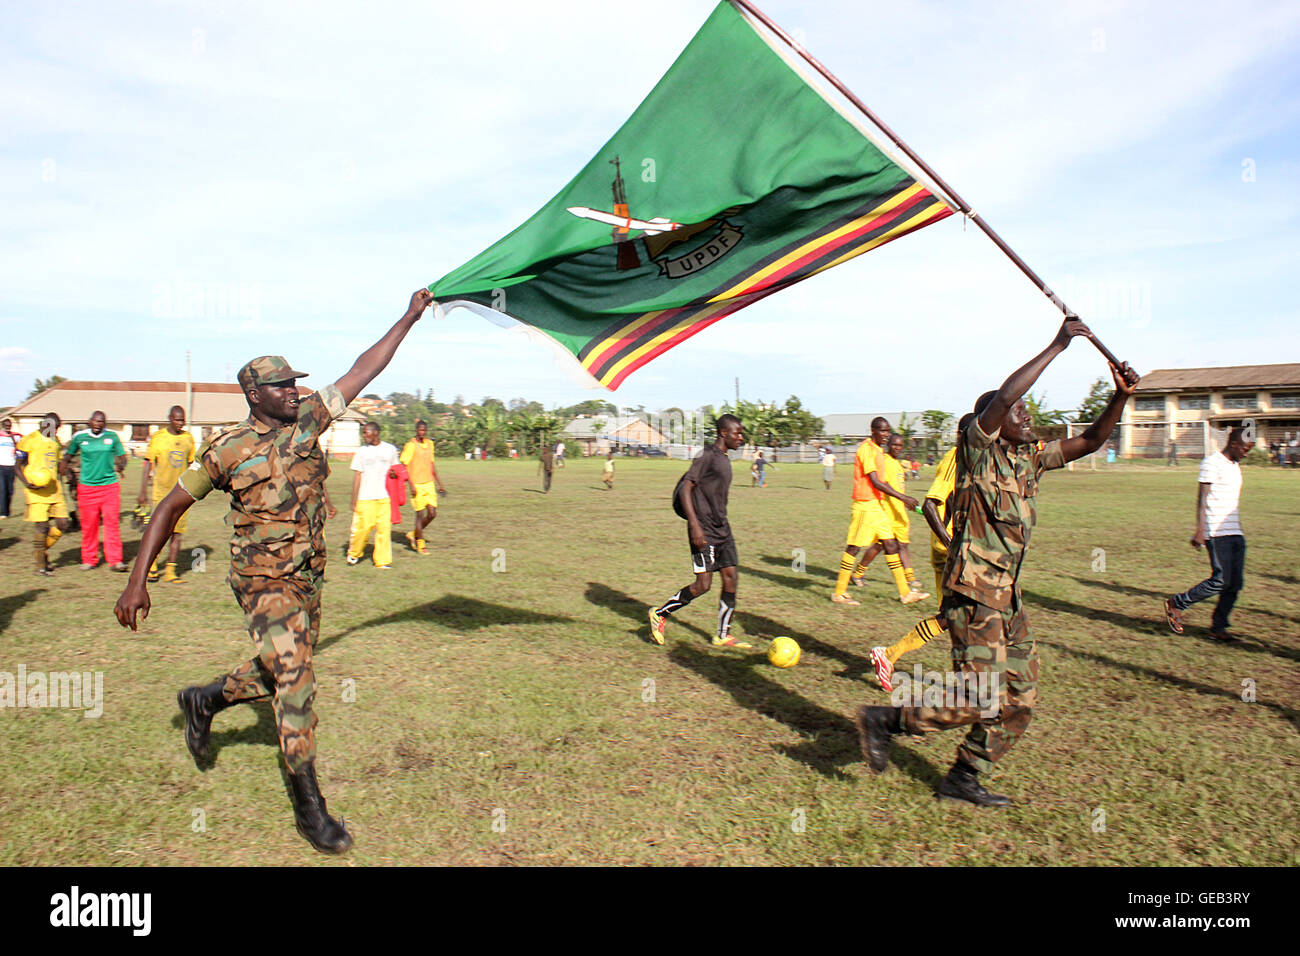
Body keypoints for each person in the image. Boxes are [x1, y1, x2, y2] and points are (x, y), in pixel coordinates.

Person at [114, 289, 434, 854]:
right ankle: (310, 809)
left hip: (307, 576)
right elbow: (168, 507)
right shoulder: (226, 450)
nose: (295, 390)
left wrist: (408, 317)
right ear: (255, 394)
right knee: (296, 679)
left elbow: (365, 367)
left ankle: (206, 699)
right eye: (283, 384)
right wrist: (137, 581)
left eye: (295, 382)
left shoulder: (310, 419)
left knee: (281, 669)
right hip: (261, 581)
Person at [855, 316, 1138, 807]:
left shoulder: (1028, 458)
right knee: (977, 697)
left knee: (1020, 702)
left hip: (1008, 598)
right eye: (1019, 411)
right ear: (994, 421)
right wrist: (1058, 345)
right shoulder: (977, 453)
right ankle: (886, 720)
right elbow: (1003, 398)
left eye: (1028, 411)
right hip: (973, 593)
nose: (1026, 416)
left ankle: (963, 778)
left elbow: (1091, 441)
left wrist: (1120, 397)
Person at [870, 413, 975, 691]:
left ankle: (890, 655)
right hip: (949, 550)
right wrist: (952, 545)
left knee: (955, 616)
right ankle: (890, 654)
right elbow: (931, 505)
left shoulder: (974, 457)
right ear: (965, 432)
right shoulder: (956, 458)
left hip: (965, 550)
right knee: (959, 616)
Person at [648, 414, 751, 648]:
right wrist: (694, 525)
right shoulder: (707, 455)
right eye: (738, 433)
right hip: (703, 529)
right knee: (703, 585)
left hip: (722, 527)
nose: (741, 438)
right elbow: (687, 487)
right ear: (723, 433)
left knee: (731, 578)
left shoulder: (724, 457)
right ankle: (660, 614)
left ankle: (723, 635)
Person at [1163, 426, 1254, 642]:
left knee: (1234, 583)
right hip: (1216, 531)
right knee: (1221, 580)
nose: (1246, 453)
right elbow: (1201, 499)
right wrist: (1200, 530)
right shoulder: (1212, 463)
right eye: (1245, 449)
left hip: (1235, 532)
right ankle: (1178, 602)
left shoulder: (1234, 465)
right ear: (1233, 444)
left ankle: (1218, 628)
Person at [832, 417, 926, 606]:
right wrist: (903, 497)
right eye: (882, 431)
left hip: (876, 505)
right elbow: (875, 482)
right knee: (854, 547)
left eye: (888, 431)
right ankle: (839, 592)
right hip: (864, 505)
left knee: (890, 545)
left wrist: (902, 497)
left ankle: (905, 593)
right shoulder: (866, 449)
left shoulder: (878, 450)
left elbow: (883, 482)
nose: (886, 435)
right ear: (873, 430)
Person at [138, 405, 197, 584]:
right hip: (161, 493)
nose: (180, 423)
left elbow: (192, 465)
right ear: (169, 418)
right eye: (177, 419)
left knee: (177, 533)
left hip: (181, 492)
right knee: (158, 531)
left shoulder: (188, 439)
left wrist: (194, 490)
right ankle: (153, 566)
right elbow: (148, 463)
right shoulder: (158, 438)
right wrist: (142, 491)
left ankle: (171, 570)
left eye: (183, 420)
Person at [65, 410, 127, 571]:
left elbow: (122, 456)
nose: (98, 424)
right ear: (90, 421)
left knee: (112, 524)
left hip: (109, 486)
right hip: (87, 488)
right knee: (89, 525)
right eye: (96, 421)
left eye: (102, 422)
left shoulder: (112, 437)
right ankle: (89, 559)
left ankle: (115, 560)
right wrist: (65, 470)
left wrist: (122, 465)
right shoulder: (80, 437)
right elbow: (68, 456)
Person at [15, 413, 68, 575]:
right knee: (42, 526)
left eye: (57, 428)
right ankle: (40, 566)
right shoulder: (29, 440)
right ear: (43, 424)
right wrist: (27, 483)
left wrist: (68, 470)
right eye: (52, 427)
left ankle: (40, 552)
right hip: (36, 491)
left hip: (54, 488)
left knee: (63, 524)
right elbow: (17, 466)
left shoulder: (55, 441)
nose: (55, 430)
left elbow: (59, 464)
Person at [347, 421, 399, 569]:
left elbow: (396, 470)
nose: (364, 436)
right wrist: (353, 499)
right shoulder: (361, 451)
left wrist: (395, 474)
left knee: (384, 530)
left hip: (384, 497)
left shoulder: (390, 449)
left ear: (375, 432)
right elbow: (358, 475)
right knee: (362, 529)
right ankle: (354, 553)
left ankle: (382, 561)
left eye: (366, 432)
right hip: (365, 497)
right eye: (363, 433)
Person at [399, 419, 446, 555]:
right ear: (416, 430)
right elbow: (405, 466)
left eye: (424, 430)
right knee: (419, 515)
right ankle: (421, 545)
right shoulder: (411, 445)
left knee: (432, 514)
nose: (422, 432)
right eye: (420, 430)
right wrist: (411, 485)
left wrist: (440, 484)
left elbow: (431, 465)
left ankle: (413, 534)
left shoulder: (430, 444)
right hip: (417, 484)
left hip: (429, 483)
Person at [0, 417, 20, 519]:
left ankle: (7, 511)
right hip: (1, 466)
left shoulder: (15, 437)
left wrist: (12, 438)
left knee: (10, 490)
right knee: (2, 489)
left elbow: (20, 448)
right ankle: (3, 513)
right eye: (6, 426)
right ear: (2, 426)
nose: (8, 428)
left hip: (12, 466)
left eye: (9, 426)